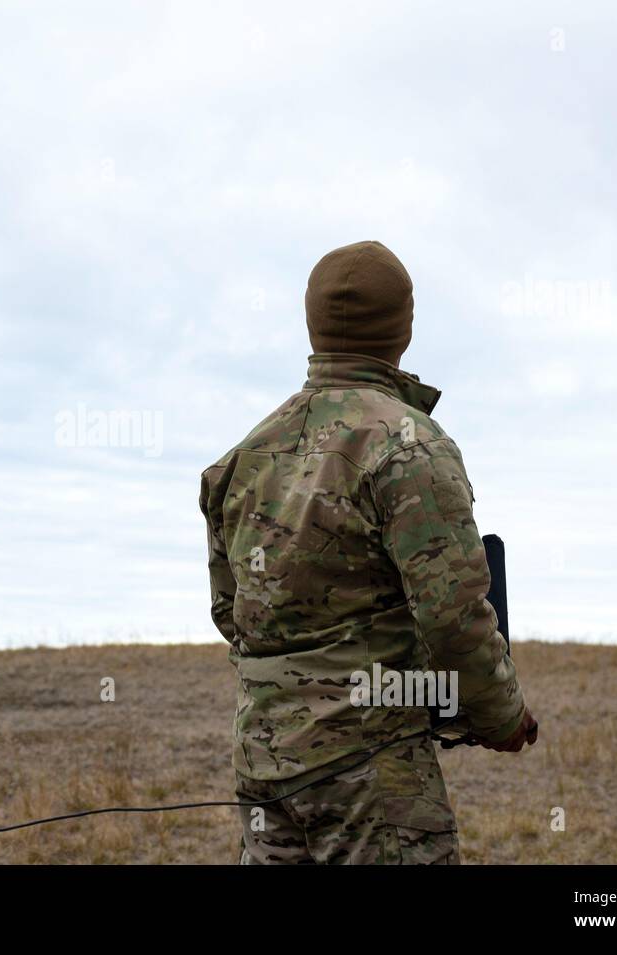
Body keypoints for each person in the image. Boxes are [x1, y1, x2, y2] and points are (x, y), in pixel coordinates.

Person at [199, 240, 537, 865]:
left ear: (313, 323)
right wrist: (501, 716)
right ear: (402, 330)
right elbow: (453, 615)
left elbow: (231, 613)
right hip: (372, 778)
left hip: (264, 770)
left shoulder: (242, 458)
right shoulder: (409, 446)